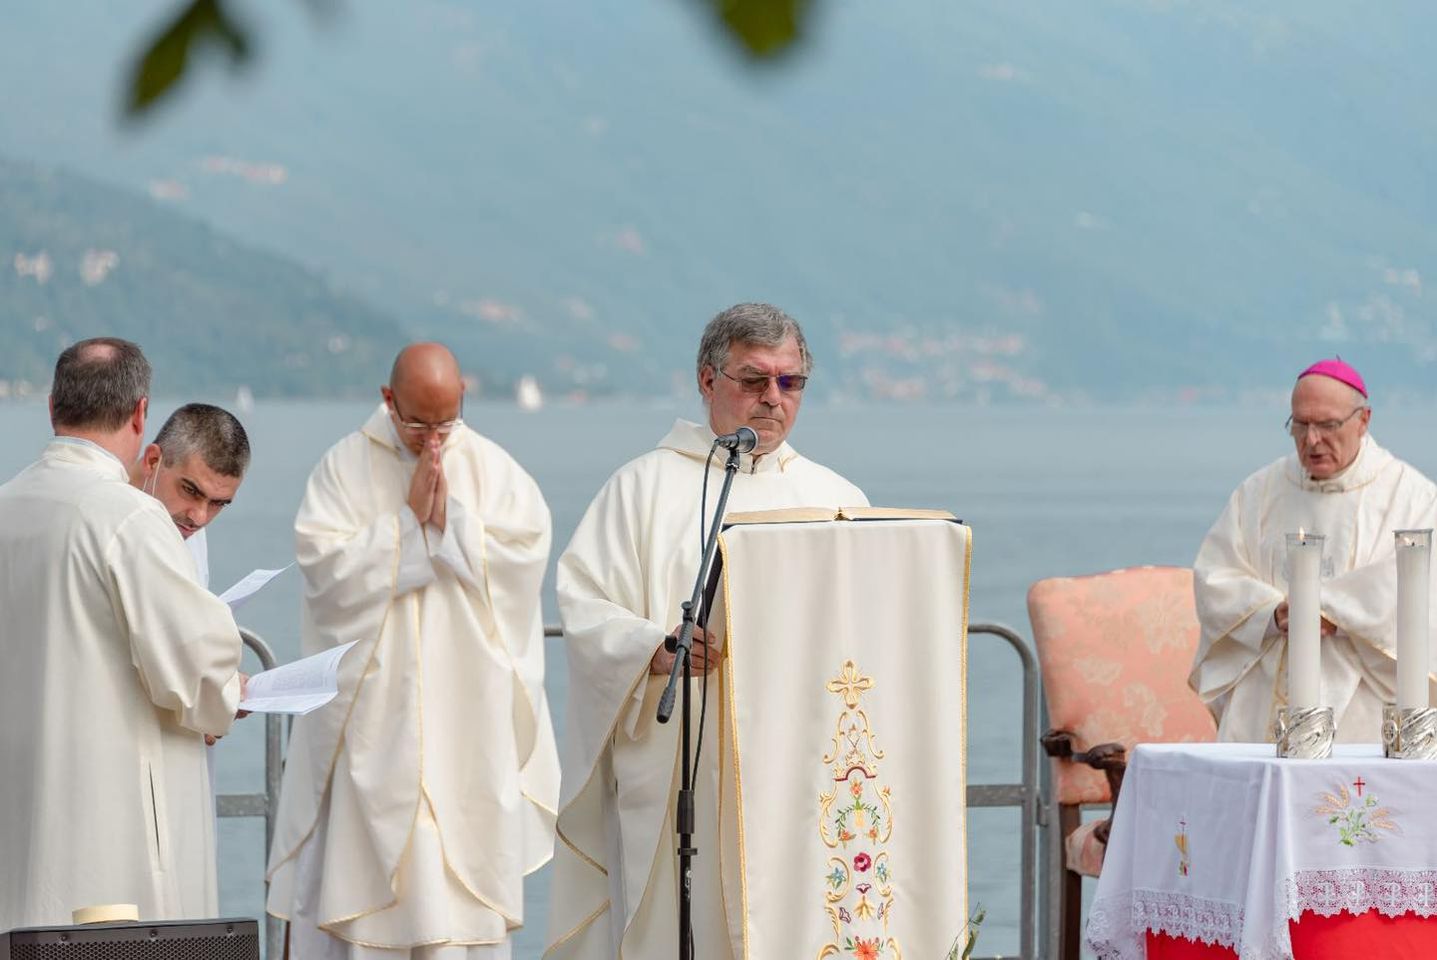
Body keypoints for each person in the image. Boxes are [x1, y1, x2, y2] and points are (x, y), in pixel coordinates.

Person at [546, 303, 868, 958]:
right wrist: (653, 651)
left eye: (790, 381)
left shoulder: (840, 501)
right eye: (753, 379)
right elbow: (585, 604)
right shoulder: (642, 488)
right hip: (675, 776)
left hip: (796, 764)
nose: (772, 399)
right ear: (707, 379)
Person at [266, 343, 558, 960]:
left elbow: (523, 561)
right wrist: (404, 525)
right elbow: (325, 574)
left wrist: (451, 518)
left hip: (466, 726)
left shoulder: (495, 471)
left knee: (459, 899)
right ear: (387, 400)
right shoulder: (343, 469)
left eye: (445, 424)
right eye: (418, 424)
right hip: (373, 725)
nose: (432, 442)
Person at [0, 338, 245, 930]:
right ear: (140, 414)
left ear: (53, 404)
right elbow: (197, 671)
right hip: (113, 822)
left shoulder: (7, 506)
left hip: (20, 803)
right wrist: (229, 691)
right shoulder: (130, 518)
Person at [1192, 358, 1437, 742]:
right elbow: (1216, 578)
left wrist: (1330, 612)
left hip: (1367, 702)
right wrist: (1273, 613)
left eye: (1327, 425)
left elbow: (1422, 586)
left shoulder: (1411, 497)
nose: (1311, 440)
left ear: (1364, 419)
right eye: (1300, 425)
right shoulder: (1259, 493)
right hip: (1265, 699)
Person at [129, 402, 251, 589]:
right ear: (153, 461)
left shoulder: (183, 526)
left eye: (218, 503)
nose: (199, 518)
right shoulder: (97, 522)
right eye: (191, 491)